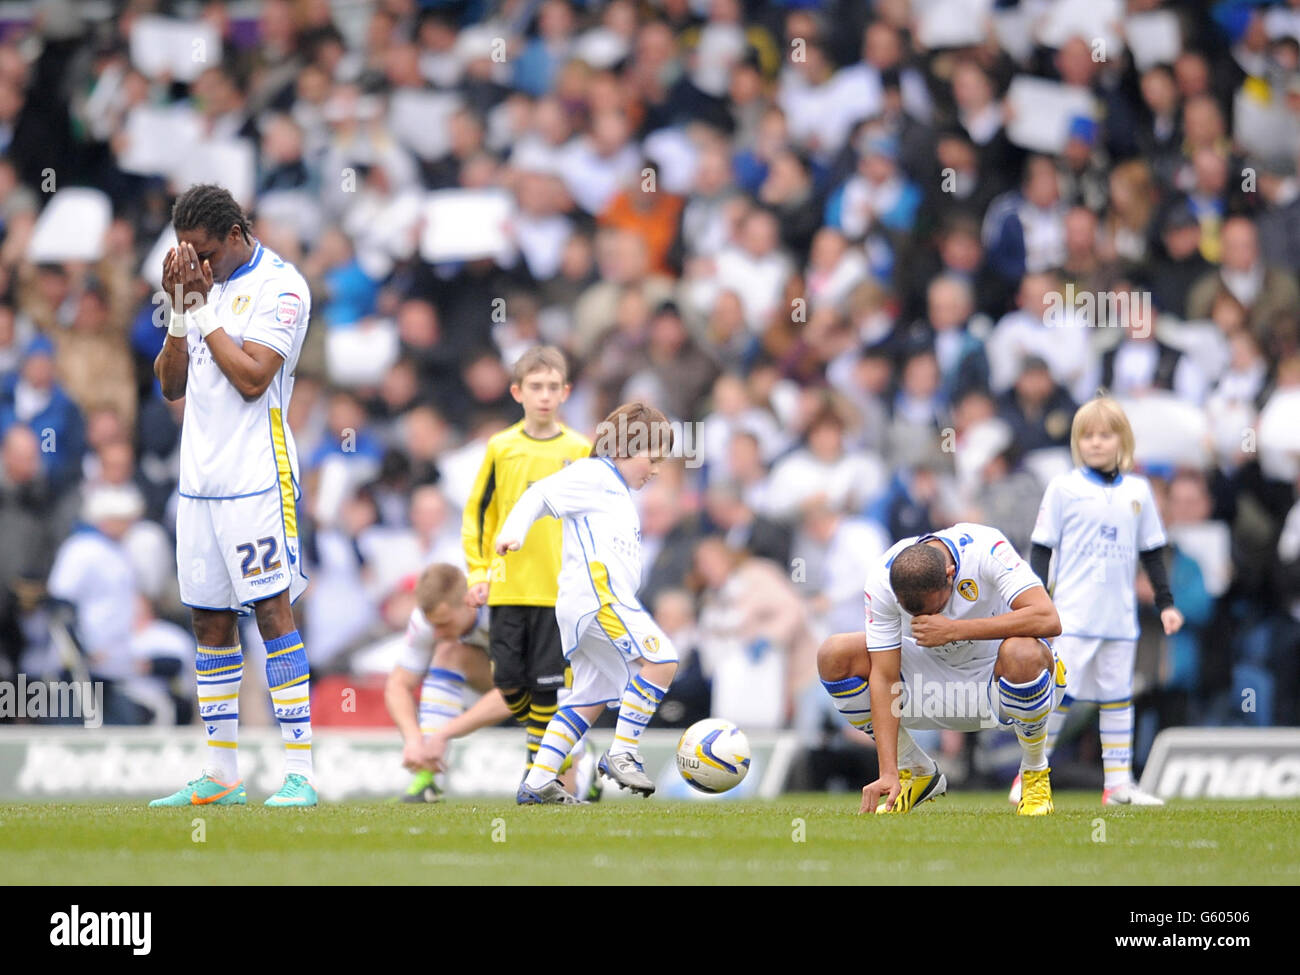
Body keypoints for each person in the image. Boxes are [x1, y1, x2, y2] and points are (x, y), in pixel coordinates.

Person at [149, 183, 316, 808]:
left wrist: (206, 308)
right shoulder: (197, 285)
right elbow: (170, 386)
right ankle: (221, 773)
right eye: (185, 252)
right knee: (208, 620)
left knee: (272, 612)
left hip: (256, 477)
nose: (196, 263)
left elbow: (251, 380)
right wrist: (179, 313)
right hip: (199, 481)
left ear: (236, 236)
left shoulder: (283, 286)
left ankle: (300, 772)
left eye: (205, 252)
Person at [497, 402, 679, 803]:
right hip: (599, 598)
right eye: (652, 457)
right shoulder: (595, 474)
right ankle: (623, 752)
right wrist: (515, 532)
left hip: (589, 603)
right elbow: (538, 494)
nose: (656, 468)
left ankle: (539, 781)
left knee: (589, 698)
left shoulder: (617, 489)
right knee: (661, 660)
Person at [816, 521, 1064, 815]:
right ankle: (916, 771)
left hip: (1002, 677)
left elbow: (1049, 619)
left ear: (951, 575)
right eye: (915, 615)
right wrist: (888, 770)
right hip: (932, 682)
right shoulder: (883, 578)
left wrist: (957, 629)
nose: (926, 620)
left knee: (1022, 652)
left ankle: (1034, 774)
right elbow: (883, 677)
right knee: (834, 653)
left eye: (934, 609)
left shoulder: (986, 547)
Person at [1009, 396, 1183, 806]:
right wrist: (1036, 602)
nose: (1096, 443)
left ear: (1122, 441)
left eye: (1105, 435)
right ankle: (1029, 775)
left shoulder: (1138, 491)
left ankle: (1118, 784)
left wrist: (1166, 603)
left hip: (1120, 620)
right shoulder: (1064, 488)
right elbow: (1041, 547)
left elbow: (1152, 552)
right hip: (1073, 615)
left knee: (1118, 698)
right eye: (1087, 435)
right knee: (1059, 696)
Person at [459, 345, 592, 791]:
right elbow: (479, 514)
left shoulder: (579, 449)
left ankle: (539, 776)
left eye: (553, 387)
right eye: (536, 387)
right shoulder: (501, 447)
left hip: (558, 591)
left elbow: (592, 517)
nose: (544, 396)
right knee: (509, 683)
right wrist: (478, 572)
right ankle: (569, 754)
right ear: (517, 391)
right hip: (508, 585)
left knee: (547, 689)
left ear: (566, 392)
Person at [384, 563, 497, 802]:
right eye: (432, 624)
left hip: (547, 688)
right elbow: (398, 685)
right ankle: (429, 782)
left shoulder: (501, 606)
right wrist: (415, 739)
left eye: (444, 623)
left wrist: (441, 735)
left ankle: (584, 768)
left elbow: (518, 691)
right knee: (448, 652)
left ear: (469, 601)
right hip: (492, 688)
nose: (435, 633)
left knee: (562, 791)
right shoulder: (427, 620)